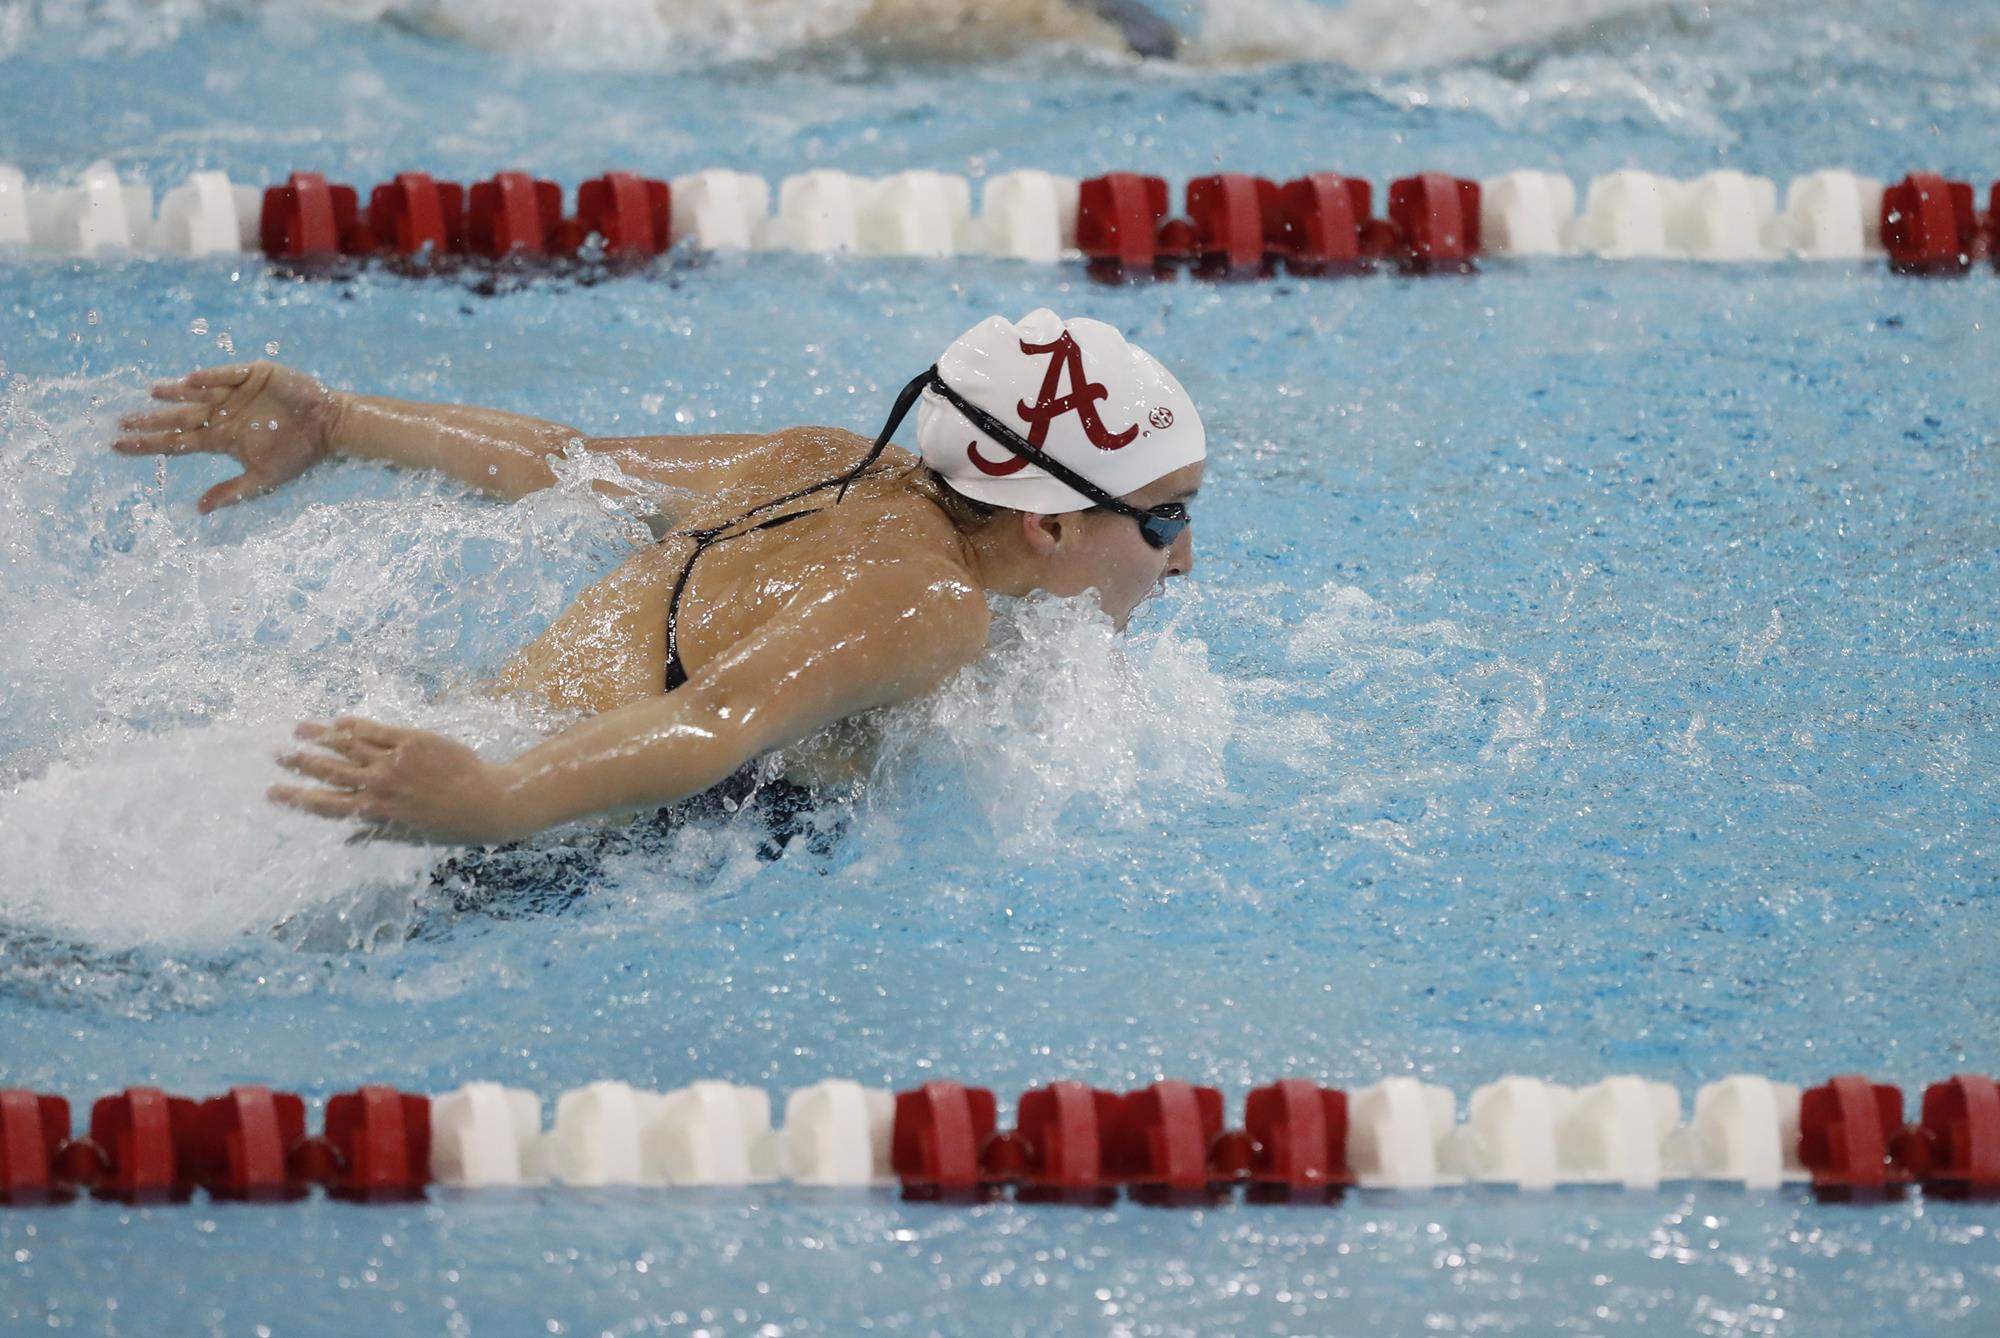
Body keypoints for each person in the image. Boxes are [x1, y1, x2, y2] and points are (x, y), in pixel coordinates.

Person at [111, 309, 1204, 847]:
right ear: (1048, 527)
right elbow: (714, 721)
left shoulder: (824, 459)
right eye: (1163, 520)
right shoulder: (931, 606)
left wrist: (342, 420)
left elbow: (561, 459)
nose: (1185, 558)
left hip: (438, 731)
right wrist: (492, 803)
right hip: (496, 830)